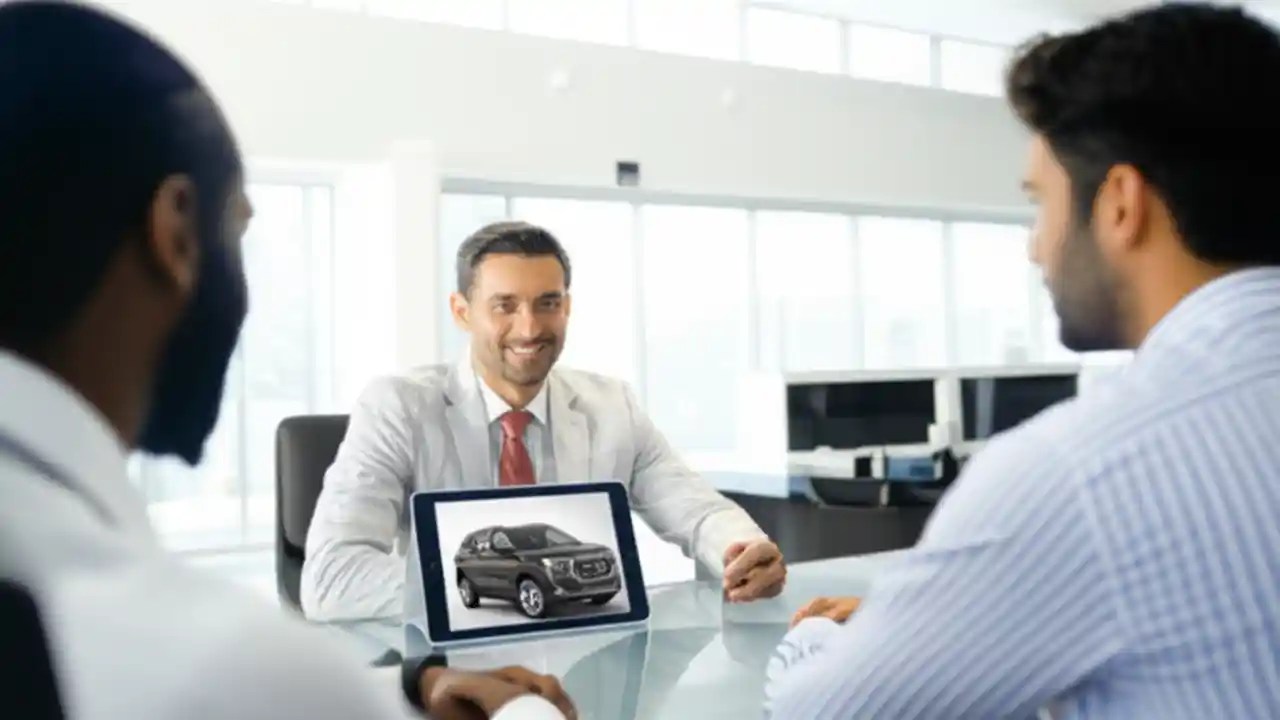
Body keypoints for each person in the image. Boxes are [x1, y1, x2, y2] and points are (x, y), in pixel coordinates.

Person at [0, 3, 574, 719]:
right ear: (174, 234)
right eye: (235, 229)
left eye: (549, 302)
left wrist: (405, 684)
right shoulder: (226, 667)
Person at [768, 4, 1280, 718]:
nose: (1036, 246)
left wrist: (820, 639)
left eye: (1041, 204)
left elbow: (824, 713)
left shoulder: (1077, 472)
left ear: (1121, 205)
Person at [302, 221, 787, 621]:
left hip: (587, 668)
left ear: (567, 307)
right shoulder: (398, 408)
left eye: (547, 303)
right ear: (462, 312)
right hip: (452, 679)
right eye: (504, 306)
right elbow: (332, 577)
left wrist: (742, 549)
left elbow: (696, 509)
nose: (530, 328)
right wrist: (491, 594)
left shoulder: (611, 405)